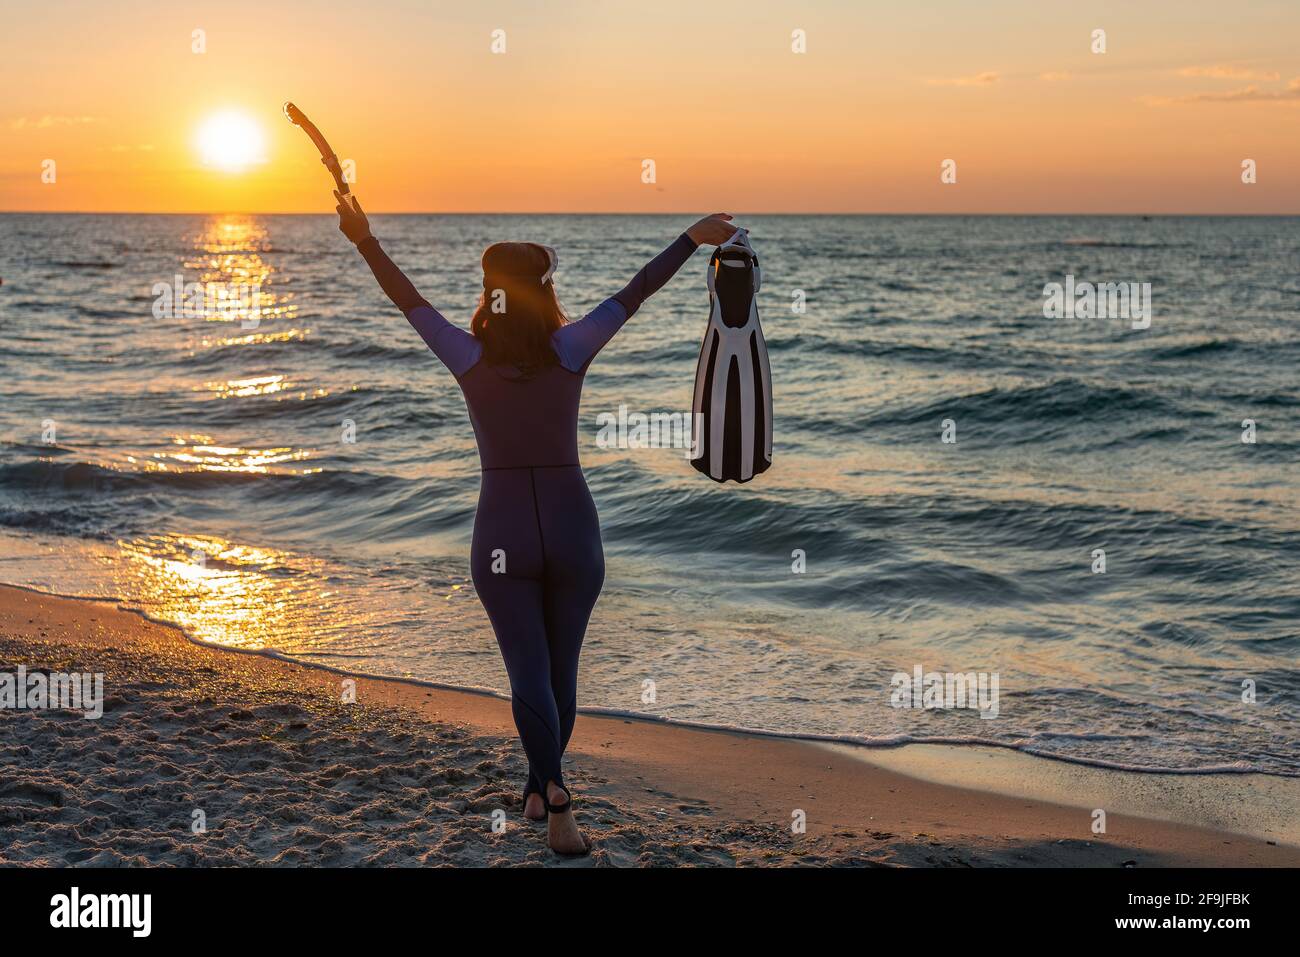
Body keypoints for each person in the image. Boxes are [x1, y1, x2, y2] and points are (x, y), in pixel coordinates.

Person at [335, 192, 737, 853]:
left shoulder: (465, 355)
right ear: (547, 289)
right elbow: (636, 290)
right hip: (572, 524)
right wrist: (693, 237)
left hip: (502, 532)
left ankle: (546, 790)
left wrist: (363, 238)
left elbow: (405, 297)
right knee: (561, 673)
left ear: (490, 292)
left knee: (527, 673)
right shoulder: (572, 345)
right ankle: (549, 793)